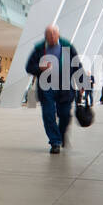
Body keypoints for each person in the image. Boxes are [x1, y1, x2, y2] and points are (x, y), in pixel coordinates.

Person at [24, 24, 82, 154]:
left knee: (65, 115)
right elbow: (28, 67)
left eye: (54, 34)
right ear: (45, 36)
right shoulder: (39, 49)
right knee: (48, 115)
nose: (51, 37)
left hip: (65, 86)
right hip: (47, 87)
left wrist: (82, 82)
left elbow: (77, 65)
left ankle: (61, 135)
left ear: (58, 35)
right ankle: (55, 142)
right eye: (49, 34)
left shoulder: (67, 46)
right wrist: (40, 68)